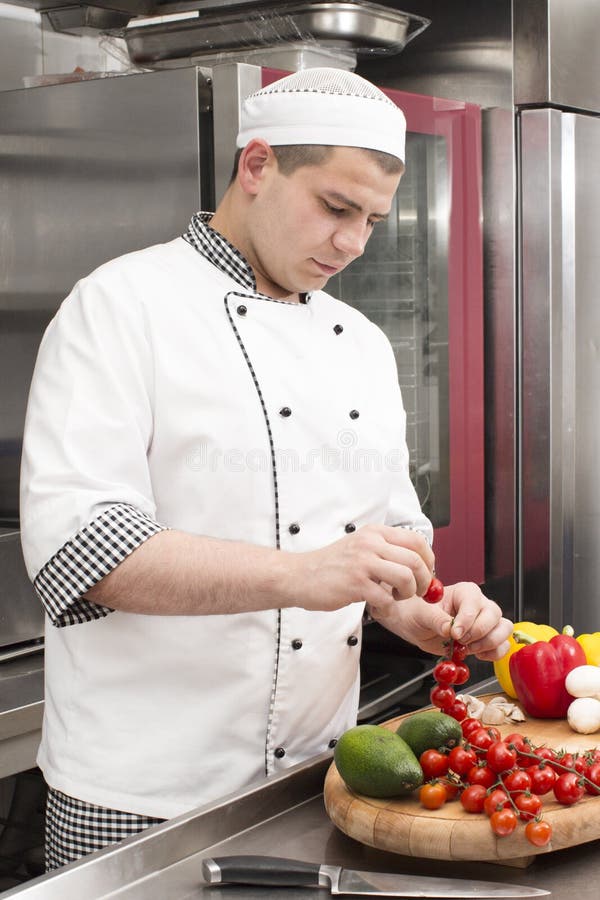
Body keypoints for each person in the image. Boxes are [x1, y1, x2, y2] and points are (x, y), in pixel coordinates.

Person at [19, 67, 512, 871]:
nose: (353, 243)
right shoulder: (119, 307)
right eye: (336, 207)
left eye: (374, 221)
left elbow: (385, 533)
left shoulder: (361, 341)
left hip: (323, 775)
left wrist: (417, 607)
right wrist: (302, 574)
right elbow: (86, 553)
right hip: (142, 794)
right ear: (257, 167)